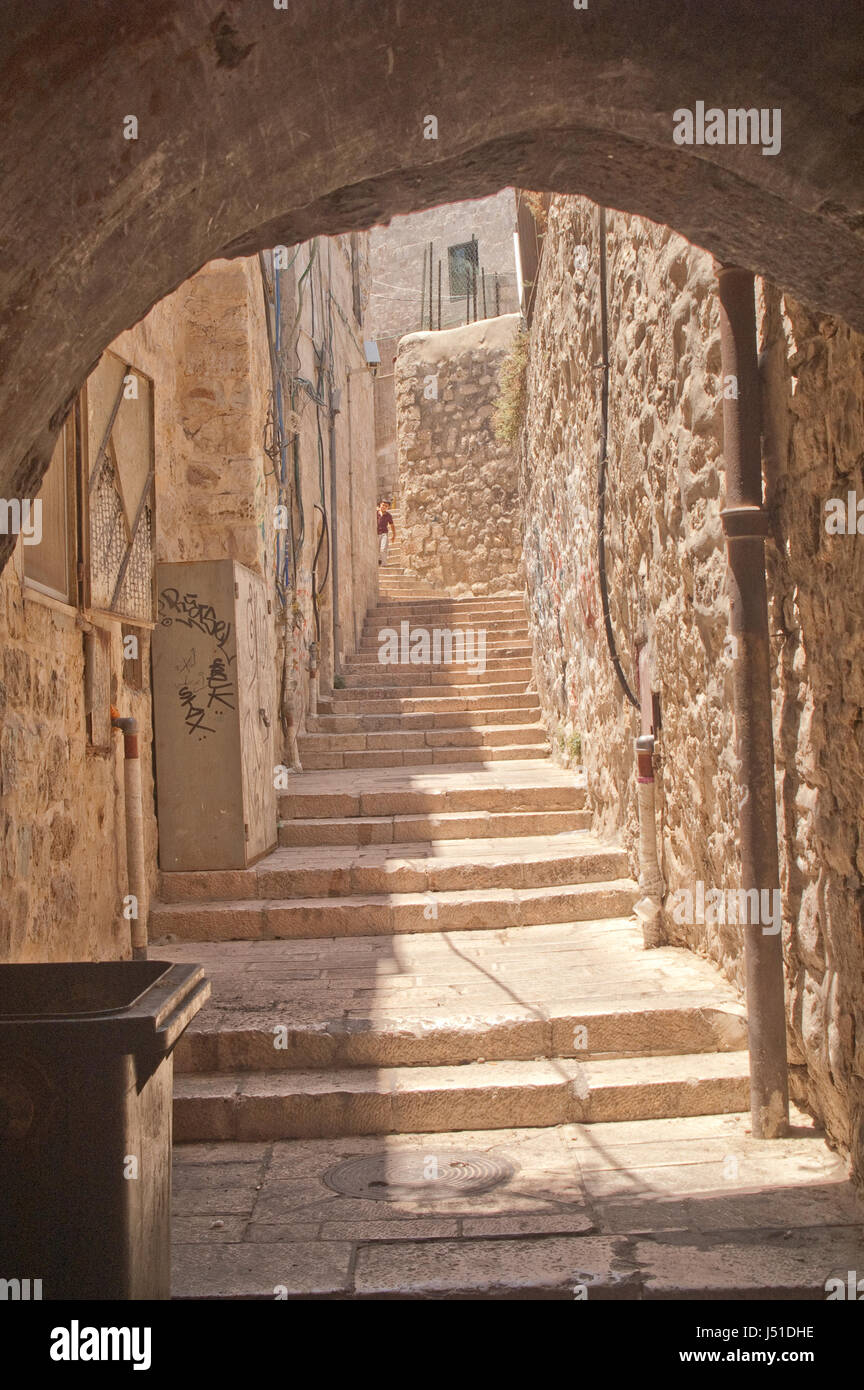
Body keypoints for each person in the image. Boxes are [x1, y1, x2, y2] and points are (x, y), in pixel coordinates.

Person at [377, 500, 395, 566]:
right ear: (380, 505)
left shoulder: (388, 515)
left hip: (384, 533)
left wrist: (394, 535)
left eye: (386, 506)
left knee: (383, 549)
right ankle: (379, 560)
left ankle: (384, 564)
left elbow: (392, 525)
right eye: (383, 505)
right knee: (377, 549)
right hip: (376, 533)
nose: (384, 507)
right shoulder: (376, 513)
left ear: (388, 508)